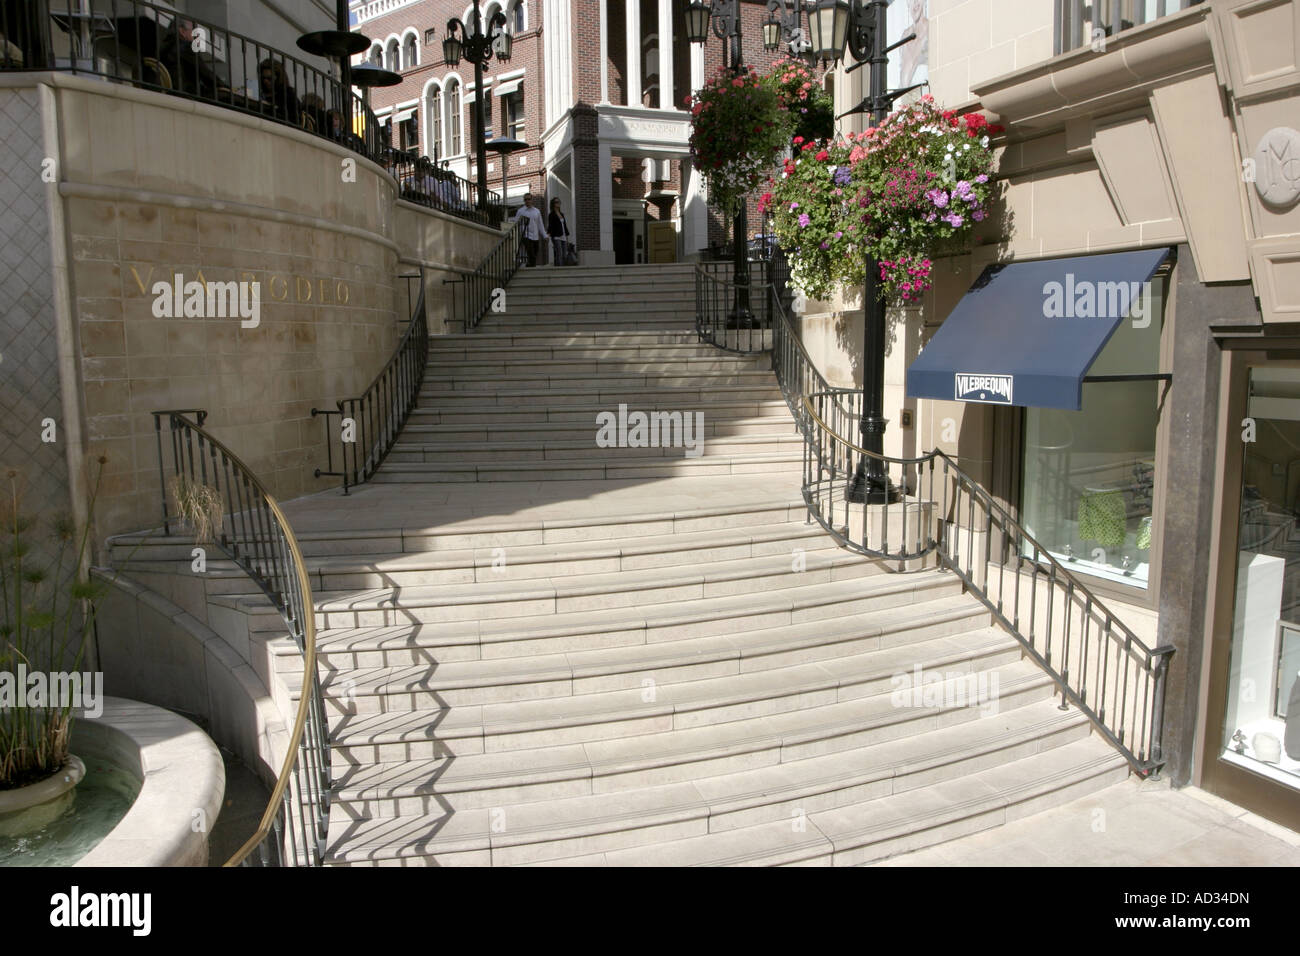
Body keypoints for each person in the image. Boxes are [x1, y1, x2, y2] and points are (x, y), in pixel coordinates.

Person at [514, 193, 548, 267]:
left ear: (532, 200)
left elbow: (540, 224)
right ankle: (532, 267)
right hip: (525, 235)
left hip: (535, 236)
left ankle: (529, 266)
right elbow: (515, 223)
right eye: (525, 199)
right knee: (531, 253)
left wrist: (545, 236)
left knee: (534, 253)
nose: (527, 201)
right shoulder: (520, 211)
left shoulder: (537, 211)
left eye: (529, 199)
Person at [548, 198, 573, 267]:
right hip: (556, 236)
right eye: (556, 202)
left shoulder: (562, 214)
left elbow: (564, 226)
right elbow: (550, 225)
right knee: (559, 253)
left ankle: (562, 267)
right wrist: (548, 234)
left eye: (559, 202)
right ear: (553, 204)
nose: (558, 203)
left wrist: (567, 237)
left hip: (563, 236)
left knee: (564, 254)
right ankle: (560, 269)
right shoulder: (551, 214)